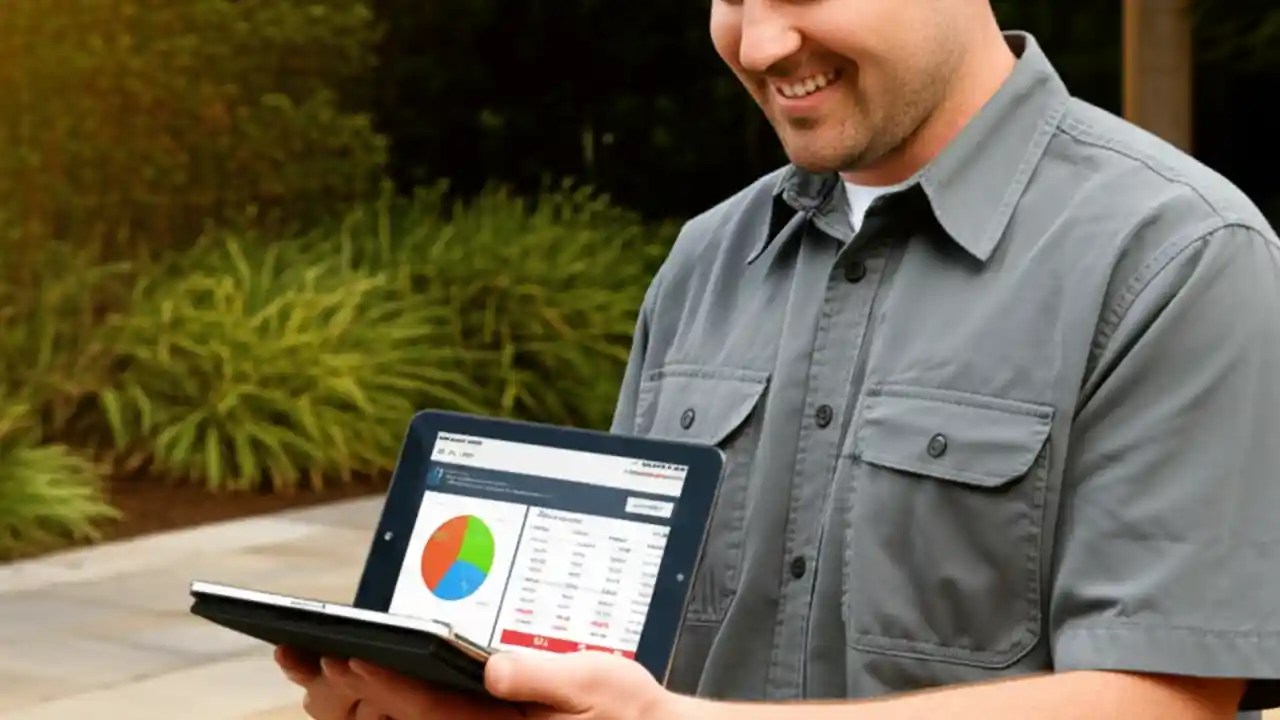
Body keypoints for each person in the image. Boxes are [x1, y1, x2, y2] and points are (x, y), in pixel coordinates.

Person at [277, 0, 1280, 717]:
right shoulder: (705, 259)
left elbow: (1160, 699)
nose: (756, 41)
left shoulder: (1177, 258)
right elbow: (628, 656)